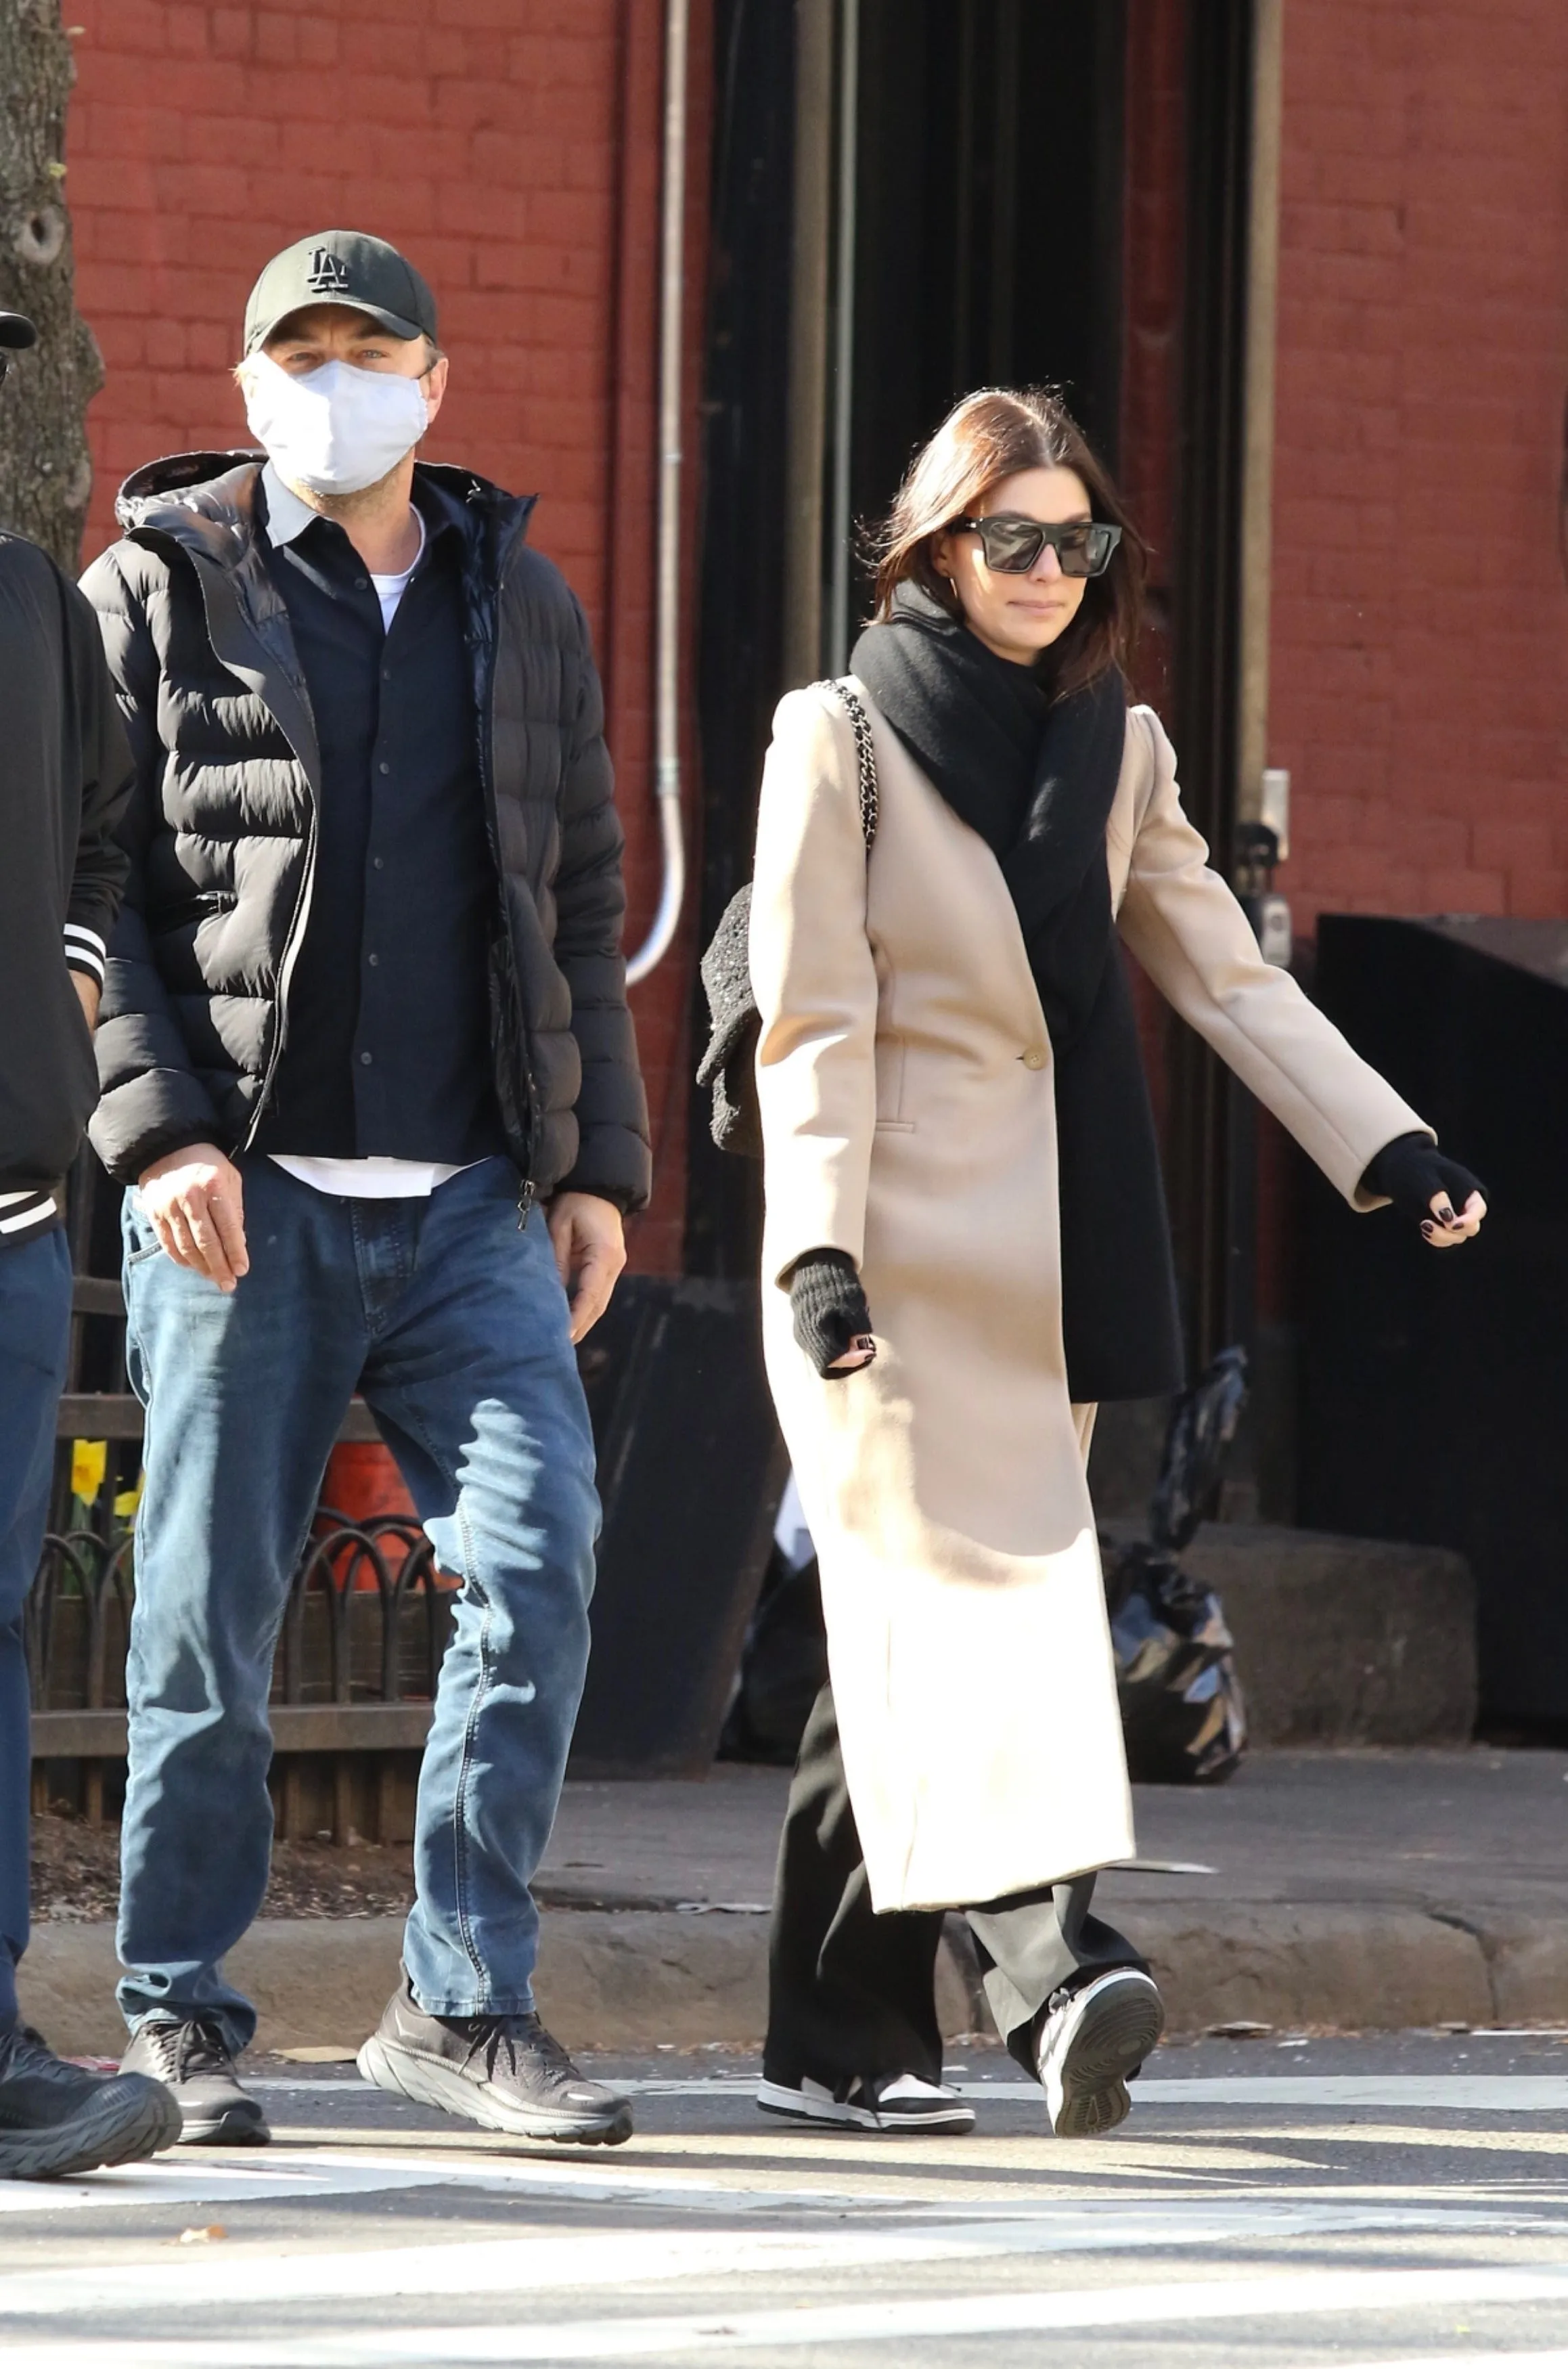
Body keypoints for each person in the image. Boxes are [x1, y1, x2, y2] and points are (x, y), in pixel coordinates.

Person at [748, 387, 1485, 2140]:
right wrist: (812, 1253)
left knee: (904, 1646)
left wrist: (1384, 1143)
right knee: (969, 1627)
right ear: (935, 544)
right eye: (1010, 539)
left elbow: (1227, 975)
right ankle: (1052, 1973)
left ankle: (832, 2031)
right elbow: (808, 1024)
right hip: (879, 1268)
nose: (1043, 572)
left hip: (1050, 1270)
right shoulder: (833, 738)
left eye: (1075, 543)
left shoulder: (1119, 748)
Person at [81, 231, 650, 2149]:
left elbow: (575, 899)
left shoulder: (525, 603)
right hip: (246, 1198)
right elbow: (84, 896)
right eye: (298, 350)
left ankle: (459, 1998)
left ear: (436, 376)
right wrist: (155, 1132)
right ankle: (176, 2008)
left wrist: (595, 1175)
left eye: (370, 346)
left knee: (543, 1553)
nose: (337, 377)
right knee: (206, 1620)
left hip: (475, 1201)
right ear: (244, 384)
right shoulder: (153, 590)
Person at [0, 308, 179, 2178]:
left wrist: (55, 989)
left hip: (13, 1226)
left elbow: (108, 832)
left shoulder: (32, 608)